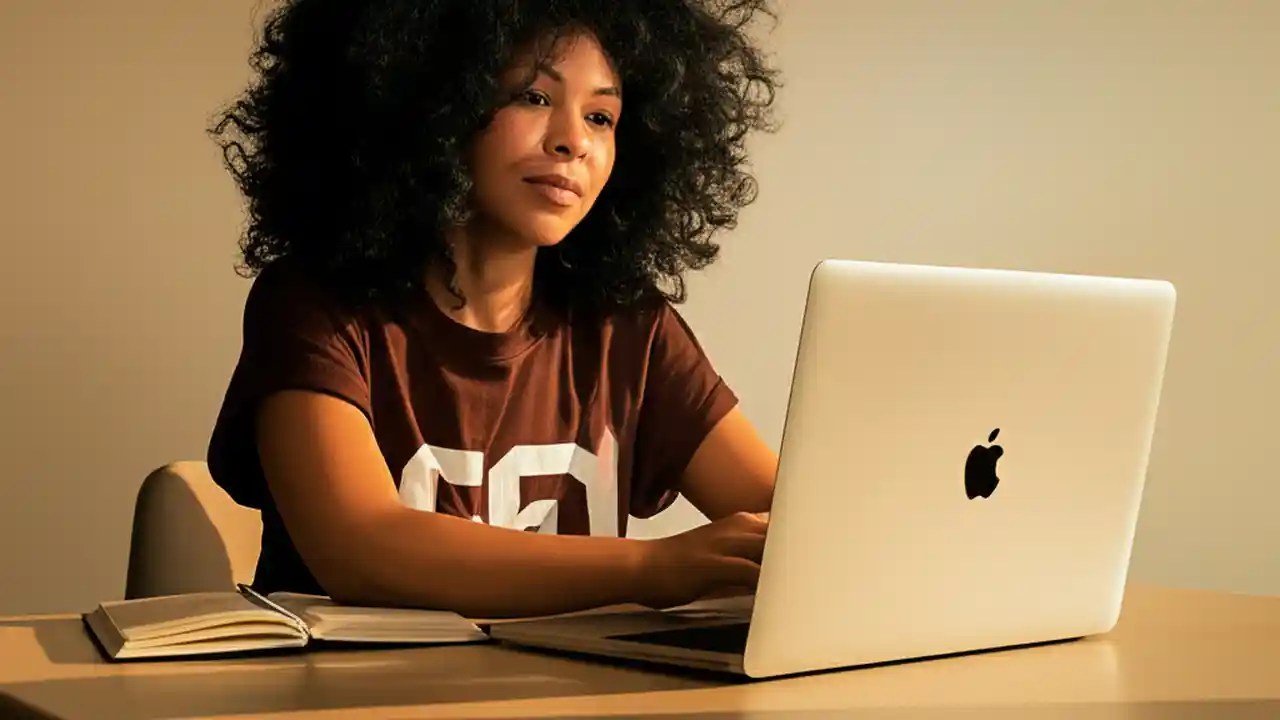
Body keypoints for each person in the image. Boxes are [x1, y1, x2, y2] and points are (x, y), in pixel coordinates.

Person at [205, 0, 782, 619]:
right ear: (431, 102)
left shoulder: (628, 326)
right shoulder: (314, 307)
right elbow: (359, 545)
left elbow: (795, 519)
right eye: (534, 98)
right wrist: (653, 568)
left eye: (601, 116)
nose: (573, 142)